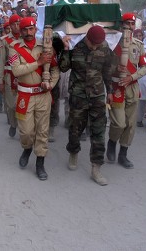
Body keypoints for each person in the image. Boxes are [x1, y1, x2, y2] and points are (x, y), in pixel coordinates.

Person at [59, 26, 113, 186]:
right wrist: (66, 49)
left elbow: (107, 72)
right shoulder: (76, 46)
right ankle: (73, 152)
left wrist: (110, 91)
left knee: (99, 131)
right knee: (75, 129)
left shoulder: (104, 48)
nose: (95, 47)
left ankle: (96, 168)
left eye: (98, 44)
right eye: (93, 44)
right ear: (87, 38)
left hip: (97, 96)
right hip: (78, 96)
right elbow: (63, 67)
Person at [9, 17, 60, 180]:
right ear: (20, 31)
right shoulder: (14, 48)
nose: (28, 32)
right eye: (25, 29)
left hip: (43, 95)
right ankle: (27, 148)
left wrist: (50, 84)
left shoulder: (46, 46)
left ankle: (40, 163)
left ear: (36, 30)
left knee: (42, 131)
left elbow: (55, 70)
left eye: (31, 29)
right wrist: (38, 62)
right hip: (24, 96)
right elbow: (16, 71)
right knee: (25, 132)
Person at [107, 12, 146, 169]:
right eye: (127, 24)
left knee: (130, 124)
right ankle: (112, 142)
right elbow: (105, 67)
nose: (130, 27)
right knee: (119, 123)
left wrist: (132, 77)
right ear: (121, 25)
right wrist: (114, 68)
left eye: (132, 24)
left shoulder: (139, 45)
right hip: (116, 87)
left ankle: (123, 154)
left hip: (132, 87)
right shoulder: (112, 44)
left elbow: (145, 67)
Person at [0, 14, 21, 137]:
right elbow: (0, 61)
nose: (17, 26)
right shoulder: (4, 40)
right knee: (11, 105)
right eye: (14, 24)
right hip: (9, 75)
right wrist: (0, 81)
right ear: (10, 26)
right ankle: (13, 123)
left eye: (18, 23)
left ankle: (23, 127)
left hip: (23, 74)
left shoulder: (25, 37)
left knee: (22, 103)